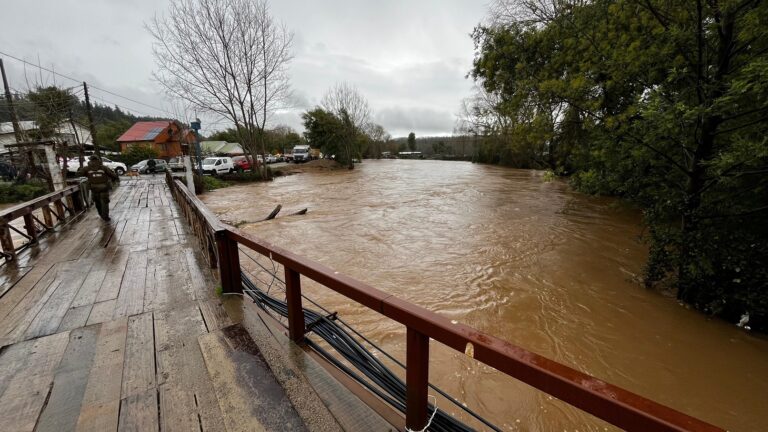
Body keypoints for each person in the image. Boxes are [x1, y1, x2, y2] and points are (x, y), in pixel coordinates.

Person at [77, 155, 119, 221]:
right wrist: (113, 179)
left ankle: (101, 215)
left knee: (97, 203)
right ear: (98, 160)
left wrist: (83, 172)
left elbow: (78, 174)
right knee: (105, 202)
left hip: (94, 188)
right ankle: (106, 217)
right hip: (104, 188)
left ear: (90, 160)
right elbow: (113, 175)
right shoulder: (104, 168)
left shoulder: (87, 168)